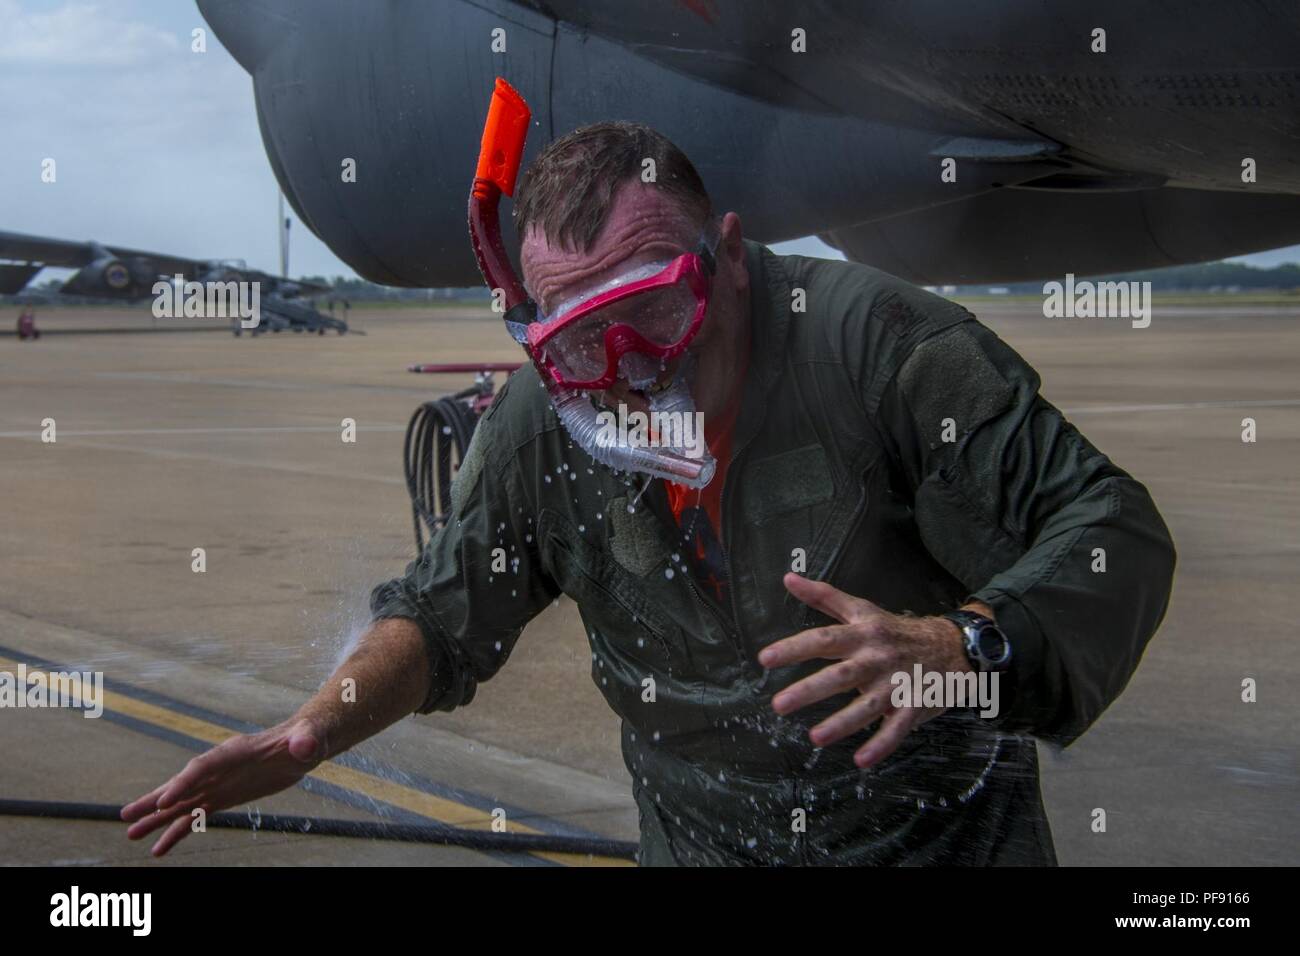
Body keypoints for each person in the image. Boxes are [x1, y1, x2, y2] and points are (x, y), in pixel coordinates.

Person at [122, 122, 1176, 865]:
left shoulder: (881, 350)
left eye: (650, 310)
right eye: (578, 338)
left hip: (932, 845)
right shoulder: (543, 418)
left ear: (722, 254)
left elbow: (1110, 530)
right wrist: (312, 731)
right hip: (702, 846)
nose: (626, 366)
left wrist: (965, 644)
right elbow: (441, 613)